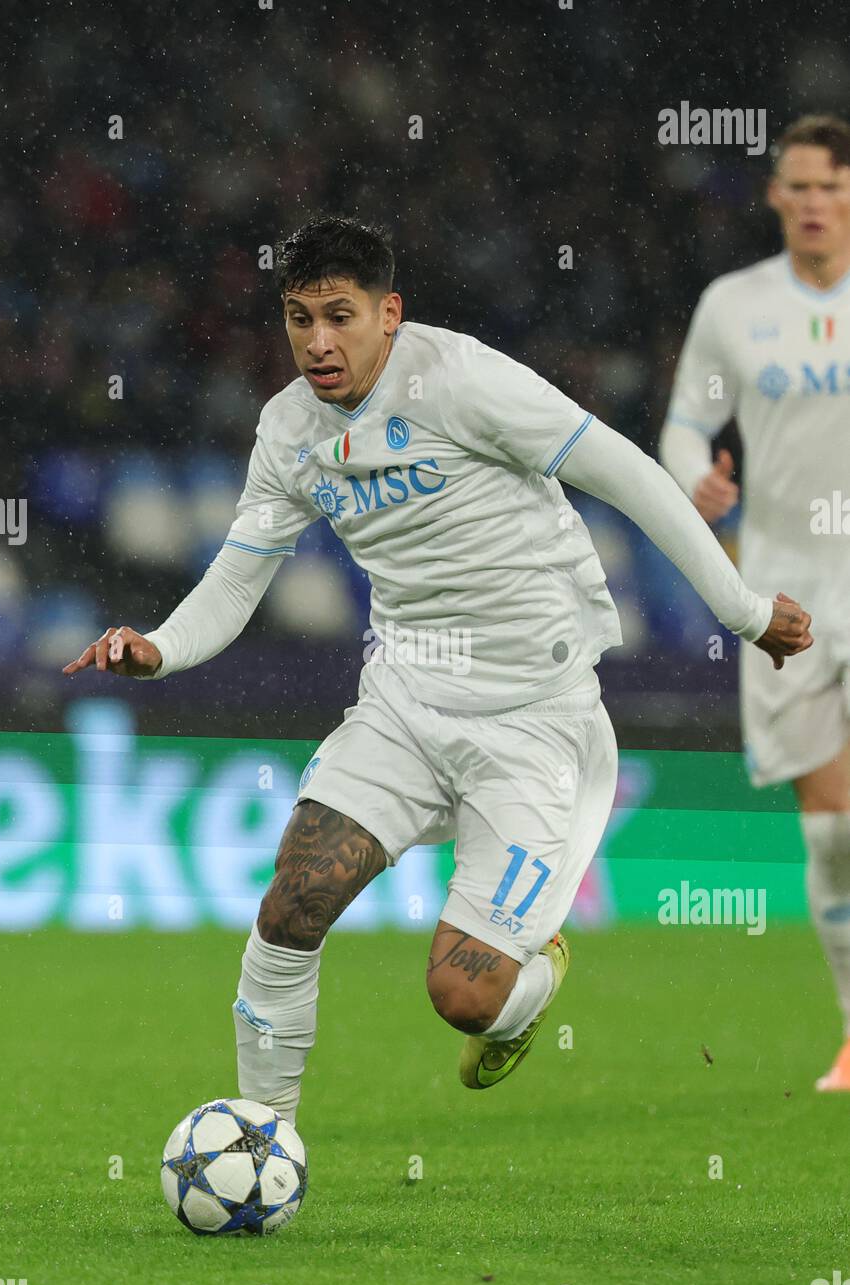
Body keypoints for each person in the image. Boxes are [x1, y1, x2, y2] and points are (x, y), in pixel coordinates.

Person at [65, 215, 811, 1123]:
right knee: (292, 905)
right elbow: (236, 580)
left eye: (340, 316)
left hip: (533, 721)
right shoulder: (289, 430)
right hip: (405, 705)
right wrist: (161, 647)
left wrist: (741, 609)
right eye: (299, 319)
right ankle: (265, 1136)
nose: (318, 342)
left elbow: (630, 475)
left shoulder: (464, 382)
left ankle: (529, 988)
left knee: (464, 995)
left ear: (391, 313)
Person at [660, 113, 850, 1091]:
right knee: (829, 829)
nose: (812, 202)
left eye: (829, 185)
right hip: (784, 590)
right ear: (773, 195)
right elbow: (683, 426)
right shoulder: (733, 305)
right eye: (797, 186)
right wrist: (694, 484)